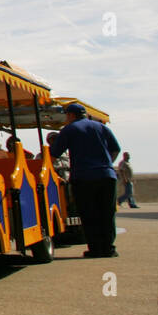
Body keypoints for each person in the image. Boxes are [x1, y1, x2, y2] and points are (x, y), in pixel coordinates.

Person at [48, 103, 121, 258]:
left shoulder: (69, 130)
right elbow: (116, 149)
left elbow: (54, 154)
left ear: (71, 116)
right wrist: (107, 163)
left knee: (89, 214)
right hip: (107, 175)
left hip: (84, 177)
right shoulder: (101, 127)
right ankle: (109, 248)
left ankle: (95, 249)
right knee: (107, 214)